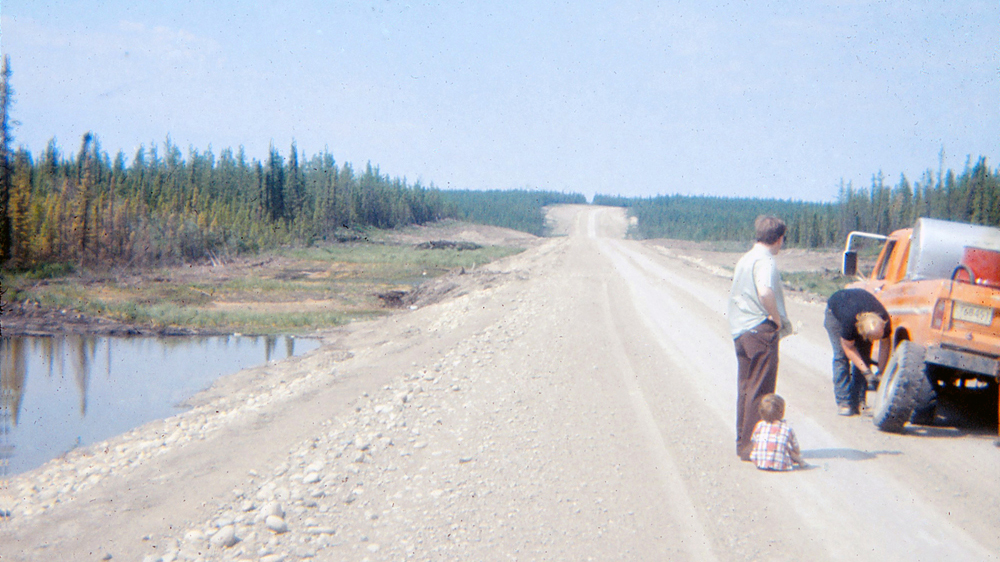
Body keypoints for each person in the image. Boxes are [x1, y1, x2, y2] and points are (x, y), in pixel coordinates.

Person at [728, 215, 790, 461]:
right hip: (760, 329)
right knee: (761, 390)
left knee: (745, 389)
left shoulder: (746, 258)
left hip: (741, 330)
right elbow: (765, 292)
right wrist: (776, 318)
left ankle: (743, 444)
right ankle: (755, 446)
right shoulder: (765, 261)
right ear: (779, 238)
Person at [824, 288, 891, 416]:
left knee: (864, 357)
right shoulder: (849, 322)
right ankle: (844, 402)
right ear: (862, 332)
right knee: (841, 357)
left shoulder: (884, 320)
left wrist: (881, 372)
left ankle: (859, 402)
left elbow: (885, 345)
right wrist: (867, 373)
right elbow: (848, 348)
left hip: (857, 306)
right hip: (835, 315)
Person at [749, 393, 806, 471]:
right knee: (787, 448)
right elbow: (795, 446)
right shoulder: (787, 428)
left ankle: (764, 459)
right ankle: (801, 462)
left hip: (759, 462)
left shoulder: (759, 425)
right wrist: (797, 453)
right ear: (782, 412)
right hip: (780, 465)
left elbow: (753, 440)